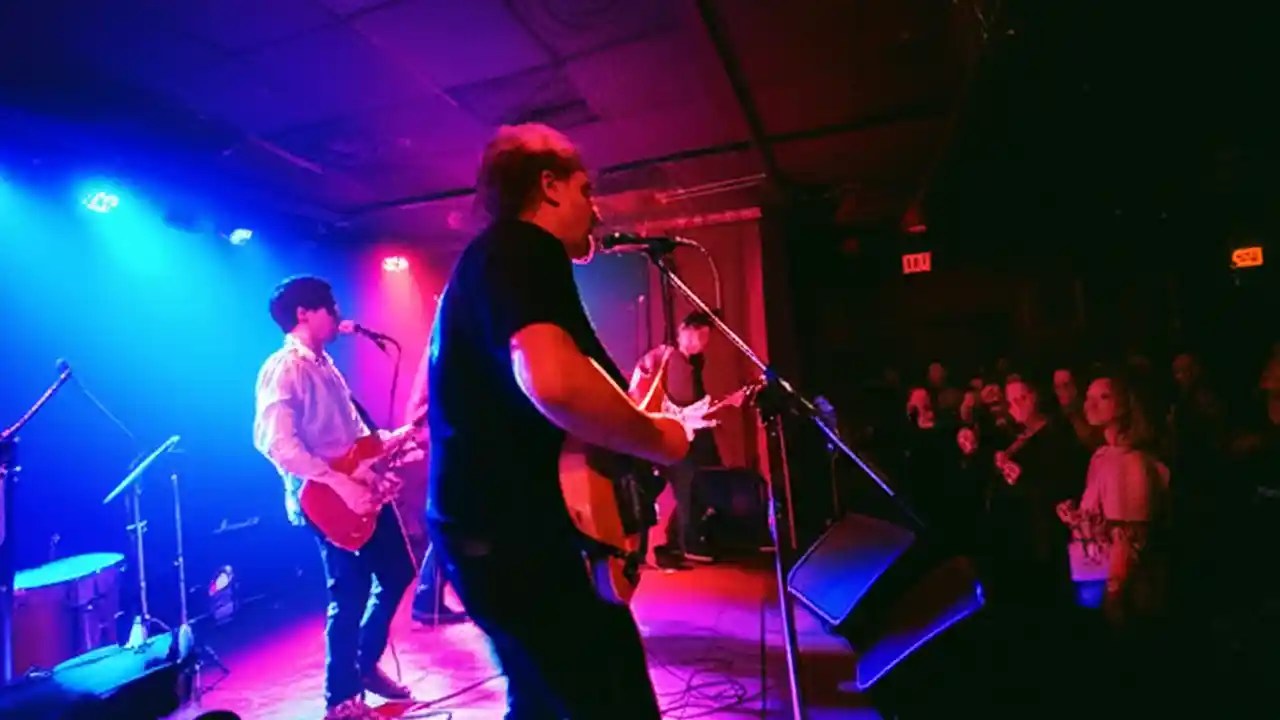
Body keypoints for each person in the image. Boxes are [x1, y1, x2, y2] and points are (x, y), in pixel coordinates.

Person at [426, 123, 691, 718]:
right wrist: (659, 440)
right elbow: (551, 382)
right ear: (548, 186)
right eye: (584, 191)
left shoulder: (494, 261)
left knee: (545, 702)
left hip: (500, 534)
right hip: (519, 541)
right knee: (609, 699)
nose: (594, 211)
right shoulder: (521, 246)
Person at [253, 276, 417, 720]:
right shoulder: (285, 367)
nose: (339, 313)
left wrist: (388, 450)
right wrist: (341, 483)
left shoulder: (327, 366)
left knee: (400, 572)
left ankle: (363, 665)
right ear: (303, 314)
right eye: (329, 306)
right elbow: (278, 444)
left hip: (358, 492)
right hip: (326, 501)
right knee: (349, 596)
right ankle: (340, 699)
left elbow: (352, 438)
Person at [629, 311, 738, 567]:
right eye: (695, 335)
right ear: (681, 331)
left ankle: (664, 546)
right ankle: (683, 543)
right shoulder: (678, 361)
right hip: (667, 438)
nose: (698, 343)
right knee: (687, 487)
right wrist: (722, 407)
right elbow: (684, 407)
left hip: (658, 435)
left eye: (703, 338)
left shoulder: (678, 360)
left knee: (667, 489)